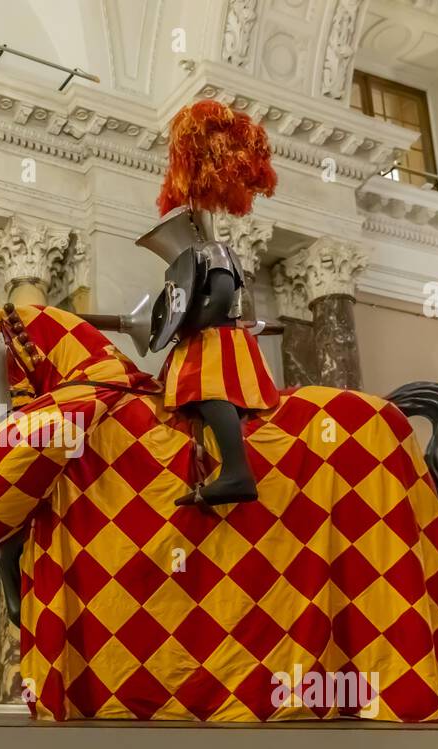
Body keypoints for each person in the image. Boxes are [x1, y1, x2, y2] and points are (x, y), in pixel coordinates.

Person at [136, 99, 280, 506]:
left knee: (207, 392)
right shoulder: (200, 253)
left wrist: (183, 324)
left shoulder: (213, 251)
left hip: (217, 342)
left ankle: (237, 472)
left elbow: (217, 300)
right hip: (206, 341)